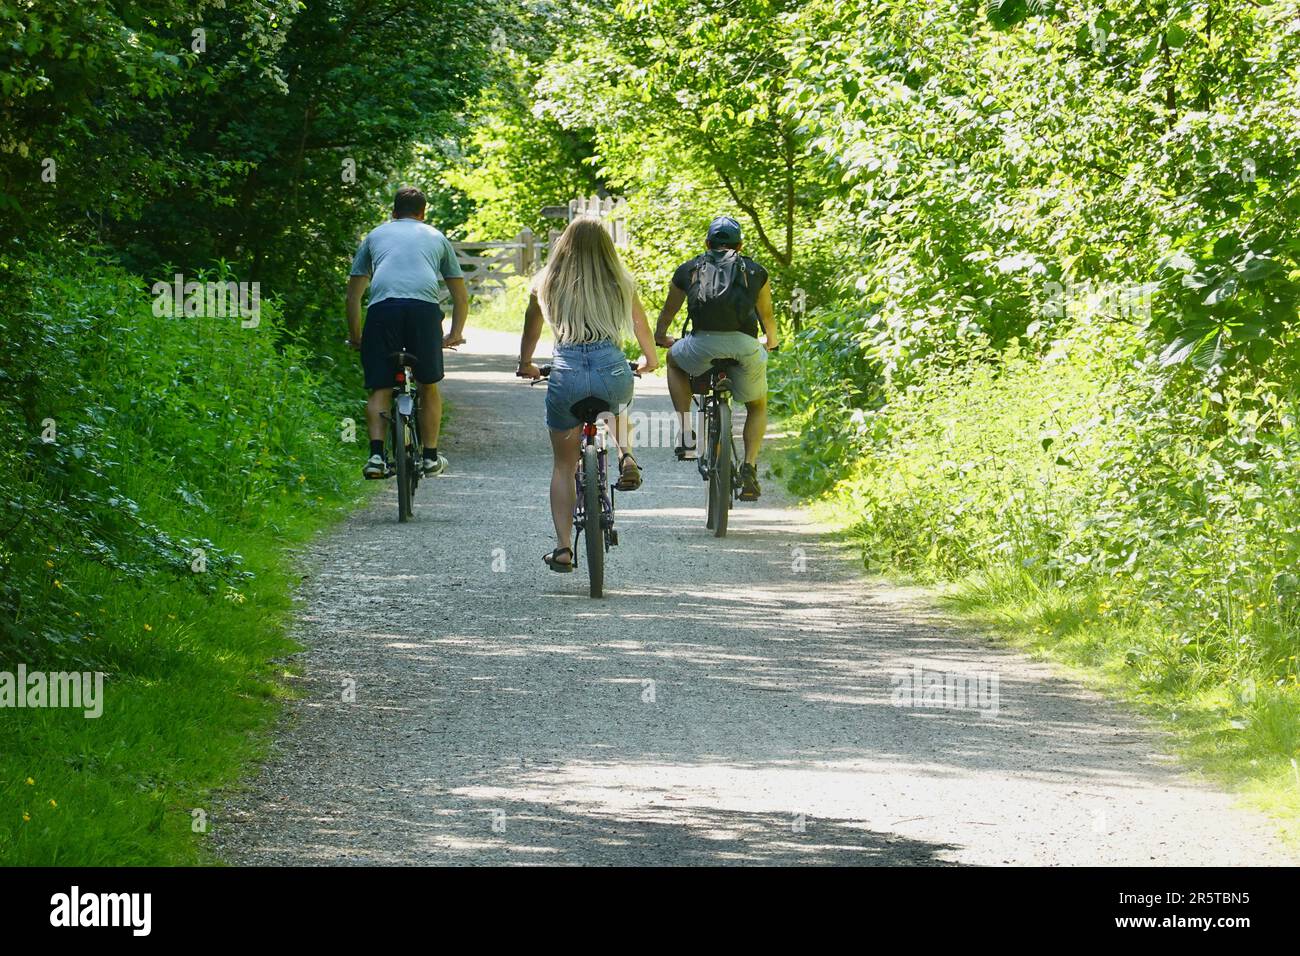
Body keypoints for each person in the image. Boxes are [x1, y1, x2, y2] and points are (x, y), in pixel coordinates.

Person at [516, 217, 659, 572]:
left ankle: (564, 548)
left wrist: (526, 363)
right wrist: (650, 359)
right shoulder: (621, 283)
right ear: (606, 249)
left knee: (564, 466)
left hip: (566, 374)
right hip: (611, 367)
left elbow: (531, 328)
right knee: (619, 404)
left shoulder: (545, 283)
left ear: (564, 245)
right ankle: (627, 455)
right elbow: (641, 325)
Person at [346, 186, 469, 479]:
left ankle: (376, 456)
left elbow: (353, 296)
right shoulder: (436, 237)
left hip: (382, 312)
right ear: (422, 213)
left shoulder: (375, 236)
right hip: (423, 313)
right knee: (428, 385)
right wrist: (454, 333)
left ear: (393, 213)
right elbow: (460, 296)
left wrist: (356, 337)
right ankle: (429, 456)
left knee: (381, 387)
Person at [654, 215, 777, 501]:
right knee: (757, 406)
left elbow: (668, 312)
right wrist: (771, 341)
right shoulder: (756, 271)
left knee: (674, 360)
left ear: (707, 243)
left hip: (702, 344)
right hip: (745, 346)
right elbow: (767, 315)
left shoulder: (689, 269)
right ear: (741, 245)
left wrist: (661, 336)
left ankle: (686, 433)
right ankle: (749, 467)